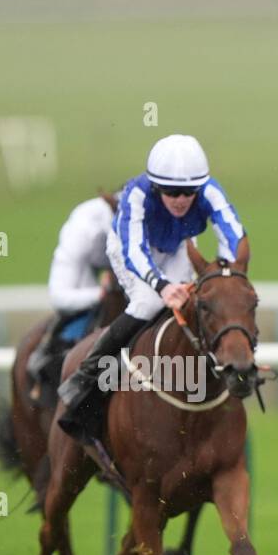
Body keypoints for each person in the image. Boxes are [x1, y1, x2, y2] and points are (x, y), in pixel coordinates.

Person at [55, 134, 249, 444]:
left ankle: (226, 369)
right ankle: (86, 378)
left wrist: (228, 271)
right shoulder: (137, 194)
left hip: (176, 248)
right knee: (147, 304)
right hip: (130, 249)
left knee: (201, 303)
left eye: (188, 192)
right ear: (156, 187)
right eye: (171, 192)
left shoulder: (211, 192)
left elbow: (234, 235)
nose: (181, 200)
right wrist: (160, 285)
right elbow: (134, 251)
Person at [26, 192, 119, 405]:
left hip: (120, 256)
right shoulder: (81, 232)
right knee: (84, 316)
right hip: (87, 266)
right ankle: (51, 373)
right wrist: (100, 294)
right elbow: (59, 296)